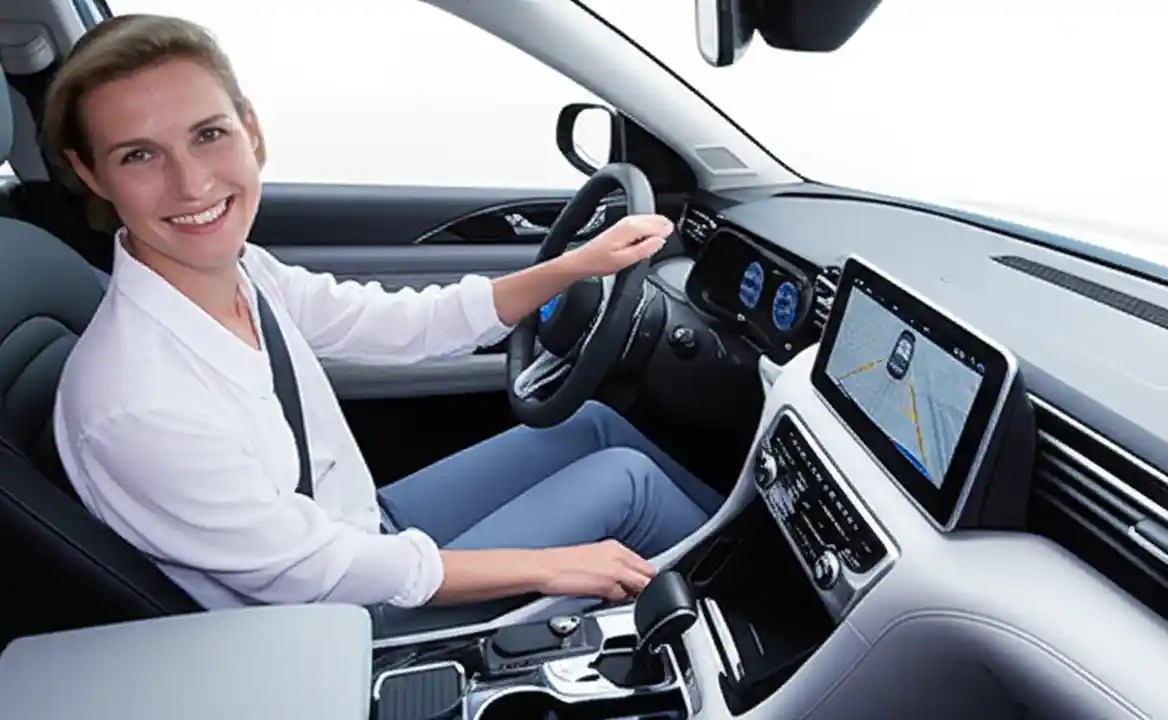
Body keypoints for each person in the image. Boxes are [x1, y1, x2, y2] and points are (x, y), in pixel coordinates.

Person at [46, 14, 720, 613]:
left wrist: (571, 268)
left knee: (595, 427)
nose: (191, 183)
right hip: (333, 623)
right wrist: (553, 567)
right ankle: (768, 635)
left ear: (251, 129)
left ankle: (739, 561)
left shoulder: (242, 272)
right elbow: (315, 573)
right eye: (139, 155)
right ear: (91, 174)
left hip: (365, 528)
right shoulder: (133, 402)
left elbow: (395, 323)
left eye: (209, 134)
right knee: (624, 485)